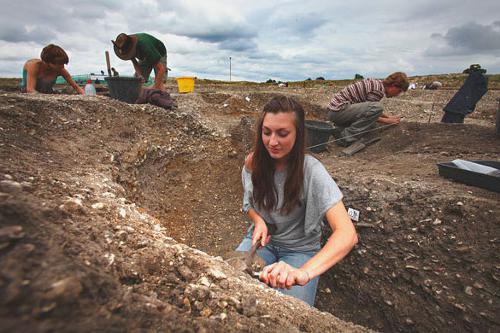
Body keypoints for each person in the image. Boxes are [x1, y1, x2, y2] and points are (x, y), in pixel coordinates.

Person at [236, 95, 358, 306]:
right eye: (267, 133)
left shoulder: (311, 171)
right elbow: (248, 203)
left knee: (292, 312)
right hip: (262, 244)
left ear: (298, 133)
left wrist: (303, 272)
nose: (272, 142)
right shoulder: (253, 162)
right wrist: (258, 221)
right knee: (231, 288)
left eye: (282, 134)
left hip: (299, 251)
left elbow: (347, 234)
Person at [327, 72, 409, 147]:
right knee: (377, 108)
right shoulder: (378, 90)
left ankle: (340, 129)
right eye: (399, 91)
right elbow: (372, 111)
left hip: (337, 111)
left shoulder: (378, 85)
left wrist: (388, 117)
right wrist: (388, 121)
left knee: (373, 122)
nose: (397, 94)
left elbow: (370, 111)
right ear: (393, 86)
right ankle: (344, 138)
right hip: (338, 111)